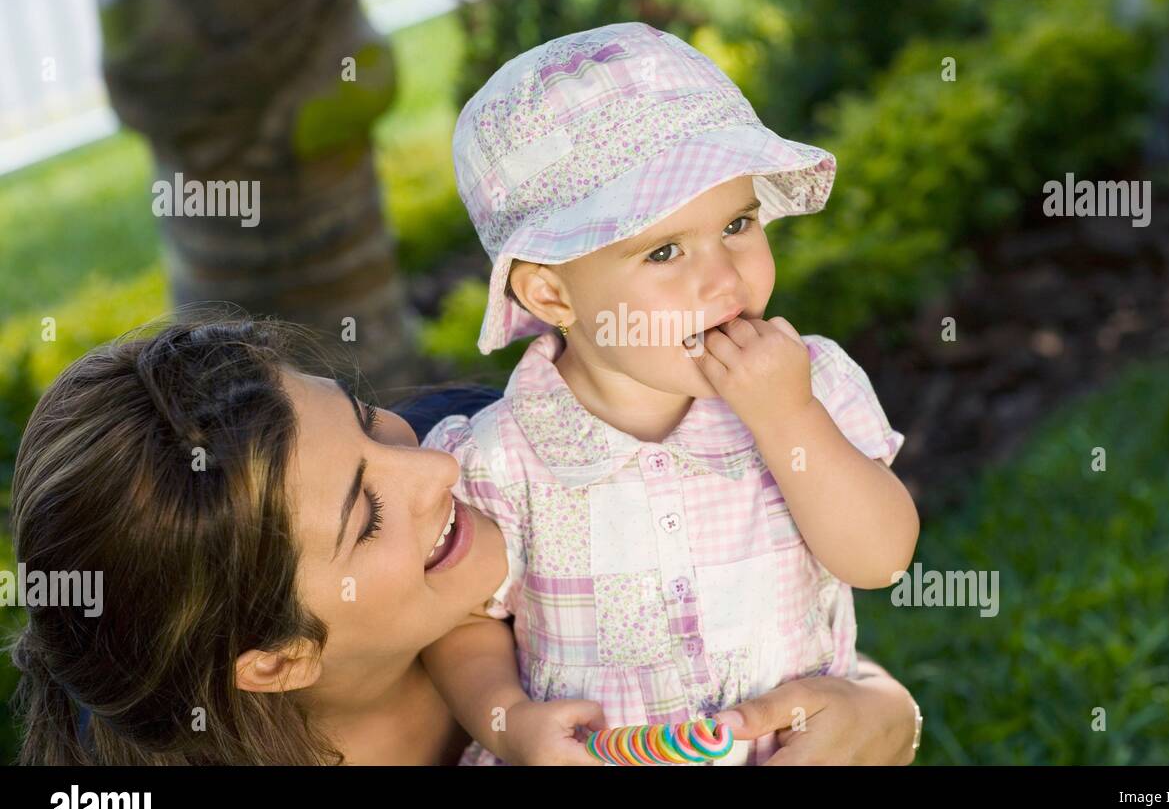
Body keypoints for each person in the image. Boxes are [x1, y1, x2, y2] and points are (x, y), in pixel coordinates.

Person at [7, 316, 921, 764]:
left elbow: (771, 596)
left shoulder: (505, 455)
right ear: (278, 660)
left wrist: (883, 716)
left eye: (369, 418)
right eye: (366, 519)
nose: (435, 470)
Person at [422, 22, 922, 765]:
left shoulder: (809, 385)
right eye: (663, 252)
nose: (724, 279)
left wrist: (788, 419)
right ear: (553, 292)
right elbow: (463, 622)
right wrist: (506, 719)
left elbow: (879, 560)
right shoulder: (498, 461)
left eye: (738, 224)